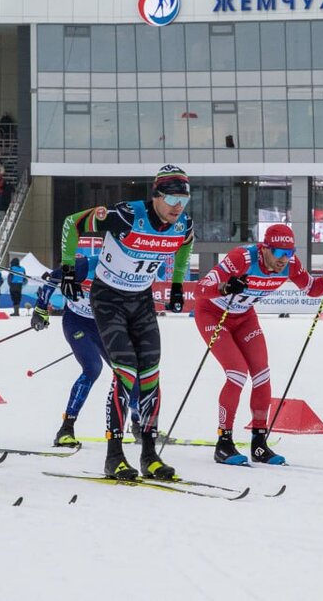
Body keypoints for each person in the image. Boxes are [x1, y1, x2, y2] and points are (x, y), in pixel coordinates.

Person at [59, 164, 194, 481]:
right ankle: (114, 455)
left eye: (184, 200)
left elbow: (187, 243)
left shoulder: (183, 224)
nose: (178, 207)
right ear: (156, 196)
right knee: (126, 370)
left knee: (150, 372)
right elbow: (71, 223)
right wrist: (67, 270)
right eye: (172, 198)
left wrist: (176, 284)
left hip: (141, 300)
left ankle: (149, 454)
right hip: (108, 299)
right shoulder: (126, 215)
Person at [193, 224, 323, 466]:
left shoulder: (290, 265)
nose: (285, 259)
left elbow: (313, 289)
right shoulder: (241, 258)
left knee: (262, 374)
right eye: (279, 253)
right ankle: (224, 443)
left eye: (289, 252)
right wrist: (225, 287)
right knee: (237, 373)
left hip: (244, 317)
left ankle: (259, 444)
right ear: (264, 249)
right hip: (213, 313)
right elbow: (200, 289)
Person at [31, 236, 119, 447]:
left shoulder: (124, 272)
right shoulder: (85, 265)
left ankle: (137, 422)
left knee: (125, 371)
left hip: (102, 326)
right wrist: (41, 309)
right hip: (76, 322)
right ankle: (66, 428)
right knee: (93, 368)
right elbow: (52, 278)